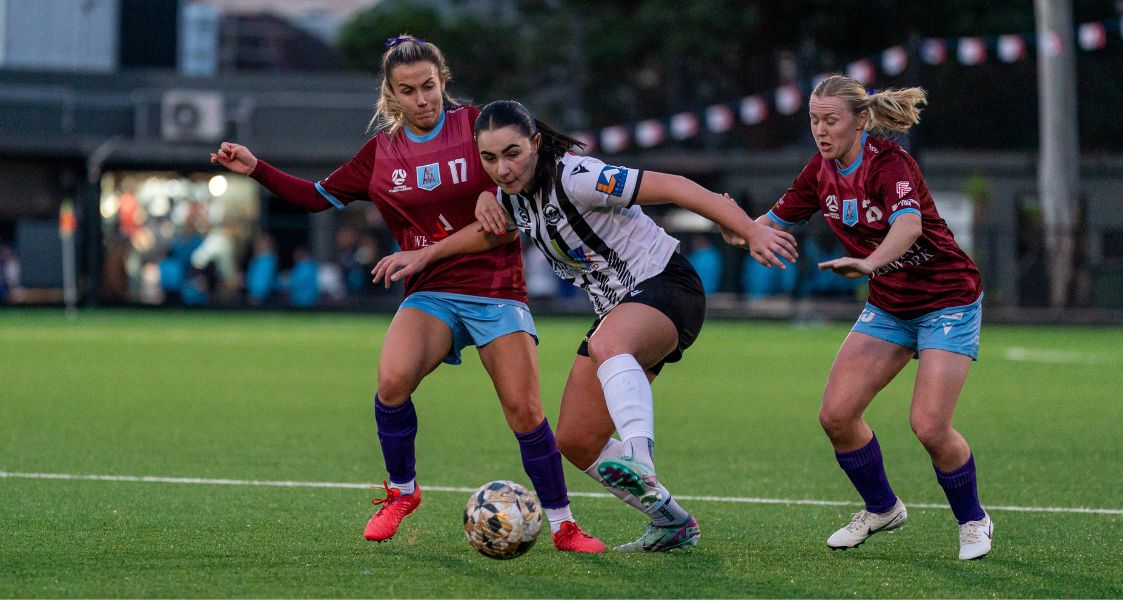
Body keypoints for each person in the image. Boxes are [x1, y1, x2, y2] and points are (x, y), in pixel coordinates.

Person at [210, 36, 604, 553]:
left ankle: (563, 525)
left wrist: (495, 187)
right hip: (431, 291)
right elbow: (314, 196)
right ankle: (402, 491)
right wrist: (257, 168)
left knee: (524, 410)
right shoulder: (381, 154)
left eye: (430, 86)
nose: (423, 99)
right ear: (391, 96)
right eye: (408, 91)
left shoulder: (477, 126)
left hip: (494, 288)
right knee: (392, 380)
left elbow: (523, 170)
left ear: (444, 82)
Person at [375, 99, 798, 552]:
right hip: (616, 309)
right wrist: (426, 255)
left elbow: (674, 186)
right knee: (577, 440)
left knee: (609, 343)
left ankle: (639, 456)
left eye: (512, 153)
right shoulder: (512, 196)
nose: (502, 168)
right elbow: (491, 231)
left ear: (536, 143)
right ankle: (672, 522)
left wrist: (749, 230)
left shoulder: (578, 176)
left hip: (666, 284)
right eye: (489, 158)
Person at [733, 74, 991, 560]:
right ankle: (882, 508)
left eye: (831, 120)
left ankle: (973, 520)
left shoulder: (890, 164)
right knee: (836, 415)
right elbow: (766, 224)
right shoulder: (819, 172)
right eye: (814, 120)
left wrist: (870, 263)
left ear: (861, 121)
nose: (821, 131)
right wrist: (738, 226)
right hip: (891, 306)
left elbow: (909, 226)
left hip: (947, 300)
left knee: (930, 427)